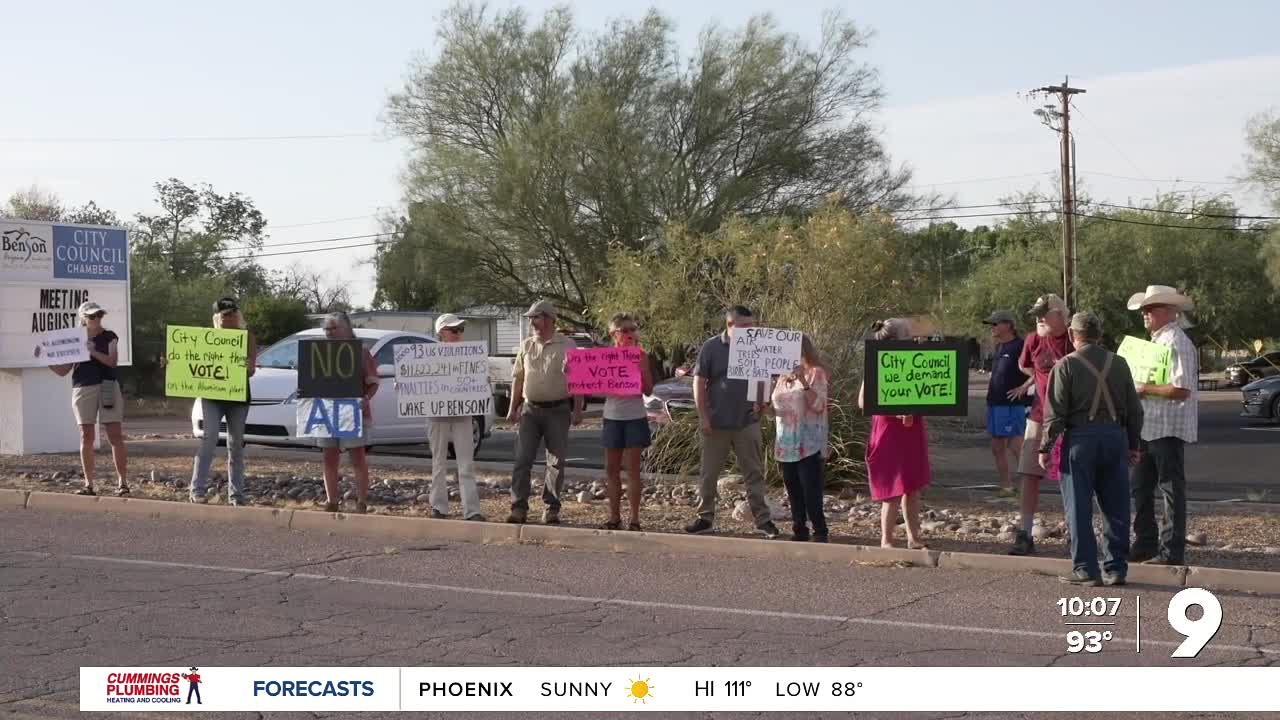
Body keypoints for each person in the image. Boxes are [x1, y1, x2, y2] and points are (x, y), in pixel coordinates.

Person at [1040, 312, 1144, 586]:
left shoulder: (1065, 366)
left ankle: (1085, 568)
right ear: (1099, 334)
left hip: (1080, 440)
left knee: (1078, 506)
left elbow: (1055, 414)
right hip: (1114, 437)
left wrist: (1045, 448)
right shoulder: (1120, 364)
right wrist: (1133, 444)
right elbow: (1135, 410)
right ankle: (1116, 567)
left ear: (1074, 335)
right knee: (1116, 506)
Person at [684, 306, 781, 539]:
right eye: (745, 326)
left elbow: (766, 377)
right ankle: (705, 517)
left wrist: (763, 403)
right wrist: (704, 416)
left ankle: (763, 520)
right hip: (716, 422)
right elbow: (699, 382)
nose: (751, 330)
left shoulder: (759, 345)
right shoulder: (712, 347)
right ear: (730, 325)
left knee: (754, 472)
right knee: (709, 473)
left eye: (752, 325)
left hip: (747, 421)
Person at [1127, 285, 1199, 566]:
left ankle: (1171, 551)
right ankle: (1145, 544)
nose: (1145, 313)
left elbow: (1181, 389)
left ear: (1170, 311)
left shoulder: (1176, 341)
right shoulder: (1157, 342)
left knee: (1169, 489)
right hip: (1149, 425)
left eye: (1151, 308)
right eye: (1145, 308)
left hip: (1167, 427)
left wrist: (1143, 387)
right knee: (1141, 488)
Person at [506, 301, 585, 525]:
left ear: (550, 319)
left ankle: (551, 509)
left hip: (558, 410)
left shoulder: (568, 345)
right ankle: (518, 507)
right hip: (530, 410)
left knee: (556, 462)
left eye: (536, 317)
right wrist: (513, 408)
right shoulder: (526, 345)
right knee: (522, 459)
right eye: (530, 318)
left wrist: (577, 410)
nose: (532, 322)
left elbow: (578, 381)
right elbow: (518, 379)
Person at [1007, 294, 1072, 556]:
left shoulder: (1072, 339)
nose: (1039, 318)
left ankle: (1074, 532)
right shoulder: (1034, 340)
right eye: (1037, 314)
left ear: (1060, 314)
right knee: (1029, 474)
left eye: (1045, 313)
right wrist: (1037, 378)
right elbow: (1025, 366)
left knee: (1070, 476)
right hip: (1037, 417)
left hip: (1068, 420)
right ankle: (1025, 532)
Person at [859, 318, 931, 549]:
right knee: (891, 488)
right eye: (907, 335)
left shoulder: (915, 359)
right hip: (889, 429)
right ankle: (887, 539)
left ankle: (914, 537)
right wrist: (897, 411)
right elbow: (863, 401)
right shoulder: (876, 362)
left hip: (912, 429)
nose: (911, 338)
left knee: (912, 486)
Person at [47, 301, 129, 496]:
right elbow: (63, 371)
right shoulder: (74, 340)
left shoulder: (109, 336)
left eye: (99, 315)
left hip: (108, 385)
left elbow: (112, 361)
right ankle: (89, 484)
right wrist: (47, 359)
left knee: (115, 435)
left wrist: (91, 351)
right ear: (83, 318)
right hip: (83, 387)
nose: (97, 319)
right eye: (92, 316)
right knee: (87, 436)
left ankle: (123, 483)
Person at [189, 297, 257, 505]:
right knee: (209, 440)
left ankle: (236, 495)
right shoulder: (206, 338)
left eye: (234, 312)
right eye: (226, 314)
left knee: (236, 445)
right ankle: (196, 490)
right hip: (212, 396)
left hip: (237, 397)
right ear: (218, 317)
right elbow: (190, 362)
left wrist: (247, 366)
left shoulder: (247, 337)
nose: (231, 316)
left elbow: (252, 369)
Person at [316, 312, 379, 514]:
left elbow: (373, 383)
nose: (331, 332)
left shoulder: (361, 352)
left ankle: (361, 501)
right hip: (326, 411)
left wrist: (365, 399)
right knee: (329, 457)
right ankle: (331, 500)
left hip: (353, 411)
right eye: (327, 329)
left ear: (347, 328)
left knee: (357, 457)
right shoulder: (318, 352)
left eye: (335, 328)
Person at [770, 334, 830, 542]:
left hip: (808, 441)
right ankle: (799, 528)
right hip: (786, 441)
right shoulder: (782, 377)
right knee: (793, 488)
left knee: (810, 488)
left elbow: (819, 405)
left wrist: (803, 381)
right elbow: (777, 407)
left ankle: (820, 530)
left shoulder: (816, 373)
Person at [600, 313, 655, 531]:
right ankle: (614, 517)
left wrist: (641, 373)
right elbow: (592, 385)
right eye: (625, 330)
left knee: (633, 470)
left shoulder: (641, 356)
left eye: (633, 329)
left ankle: (634, 519)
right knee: (611, 469)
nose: (630, 334)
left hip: (634, 416)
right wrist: (572, 371)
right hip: (612, 417)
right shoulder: (605, 357)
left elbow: (649, 390)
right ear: (613, 334)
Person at [428, 313, 484, 521]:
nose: (458, 333)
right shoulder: (427, 356)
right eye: (454, 330)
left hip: (463, 412)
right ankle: (438, 507)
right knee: (438, 461)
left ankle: (472, 510)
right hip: (437, 413)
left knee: (466, 462)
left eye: (460, 329)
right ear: (441, 332)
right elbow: (414, 380)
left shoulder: (470, 355)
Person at [982, 310, 1028, 498]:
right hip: (995, 403)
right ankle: (1007, 486)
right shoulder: (1001, 347)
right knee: (997, 447)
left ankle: (1027, 488)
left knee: (1016, 446)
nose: (992, 328)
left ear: (1008, 325)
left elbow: (1036, 371)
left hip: (1011, 405)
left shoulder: (1020, 346)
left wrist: (1022, 388)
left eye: (995, 324)